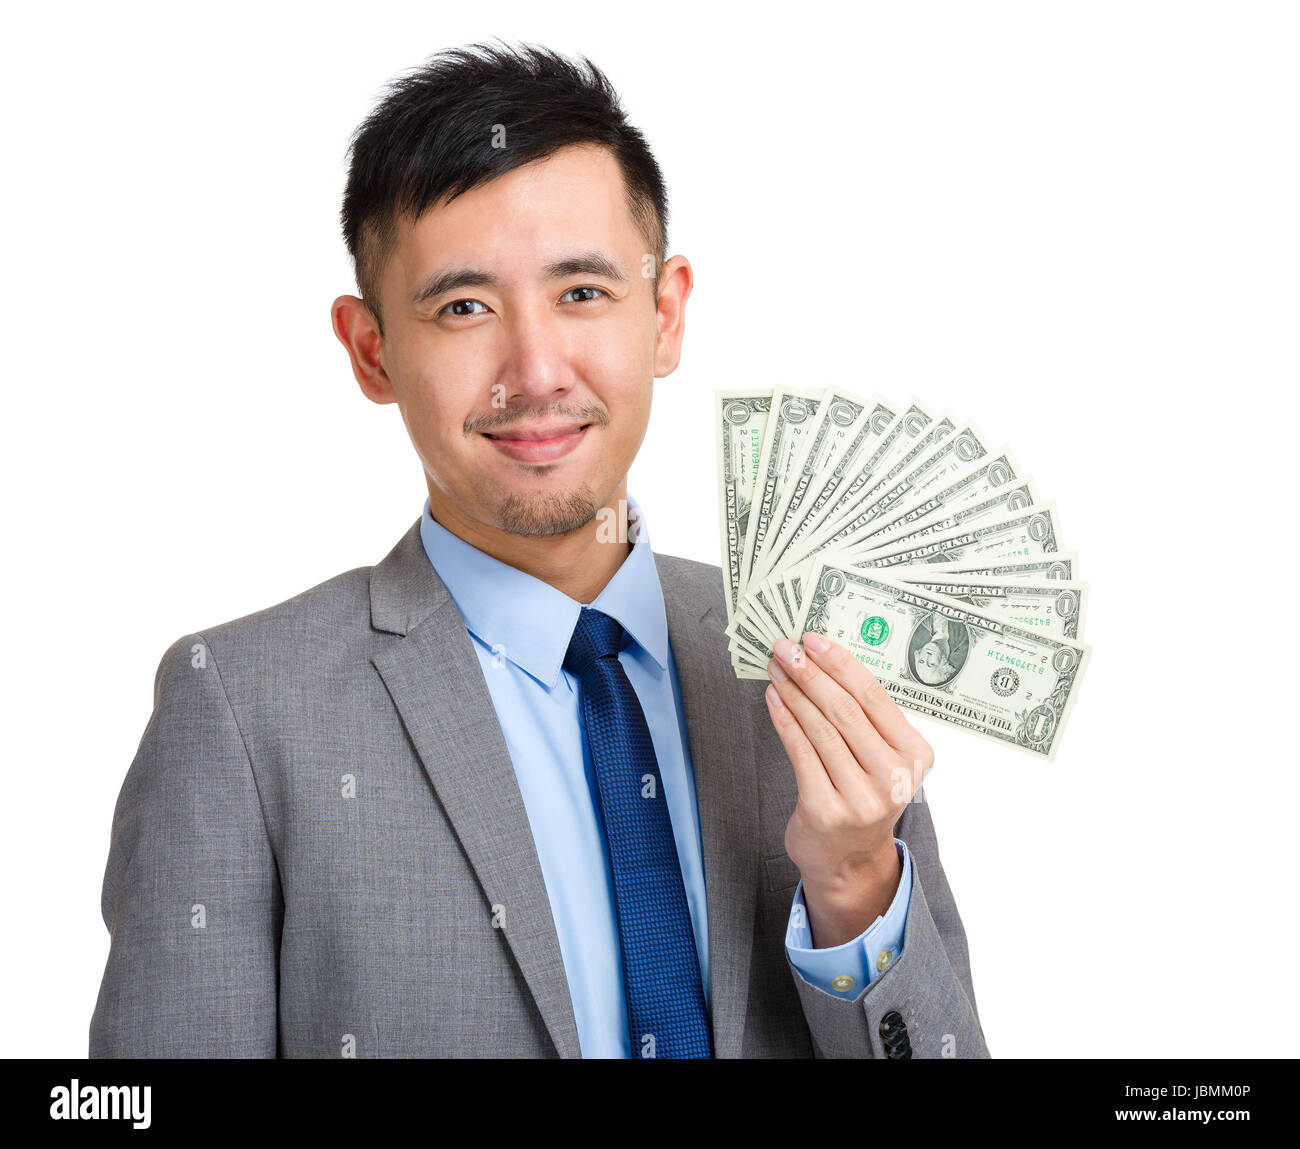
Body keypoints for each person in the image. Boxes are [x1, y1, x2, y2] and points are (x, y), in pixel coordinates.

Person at [89, 41, 988, 1059]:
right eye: (462, 307)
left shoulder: (810, 672)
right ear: (371, 349)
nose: (533, 369)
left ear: (664, 314)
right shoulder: (244, 712)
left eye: (582, 293)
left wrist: (857, 886)